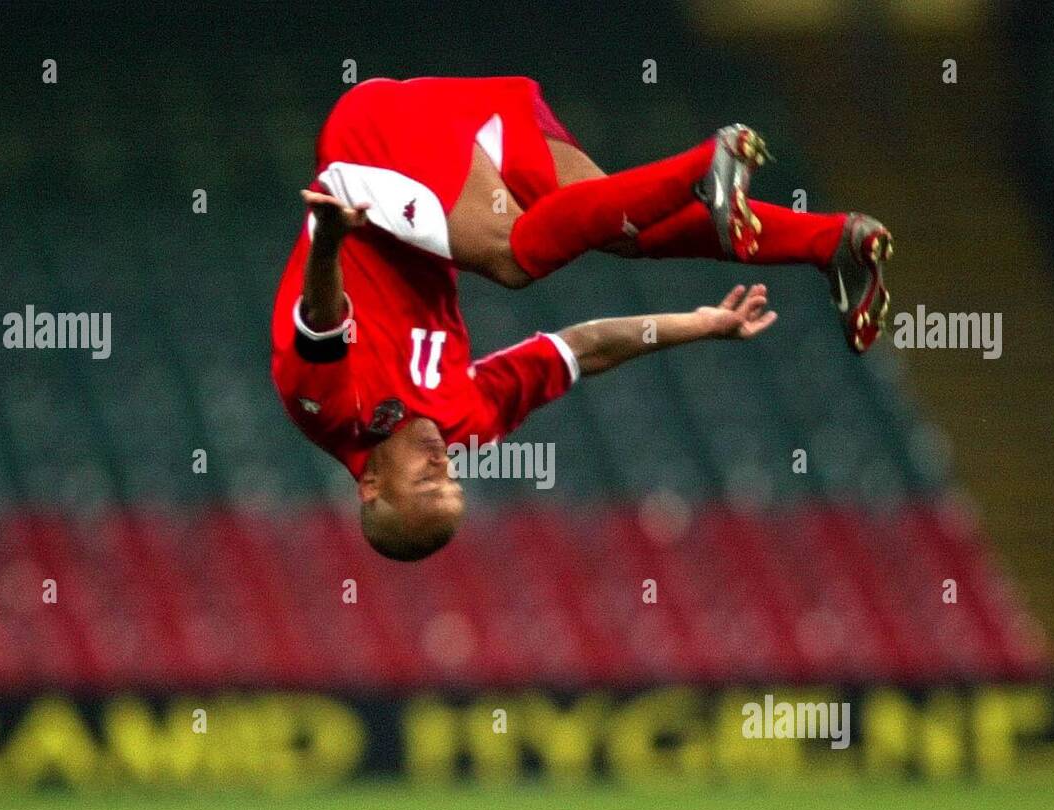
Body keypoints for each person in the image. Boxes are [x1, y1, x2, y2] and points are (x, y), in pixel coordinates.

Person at [271, 76, 892, 561]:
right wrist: (701, 324)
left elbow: (322, 318)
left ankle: (703, 165)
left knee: (513, 256)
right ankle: (830, 242)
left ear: (371, 487)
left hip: (365, 152)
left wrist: (327, 238)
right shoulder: (467, 419)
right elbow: (580, 350)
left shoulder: (331, 413)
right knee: (625, 225)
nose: (443, 467)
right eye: (453, 482)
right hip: (460, 133)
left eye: (427, 485)